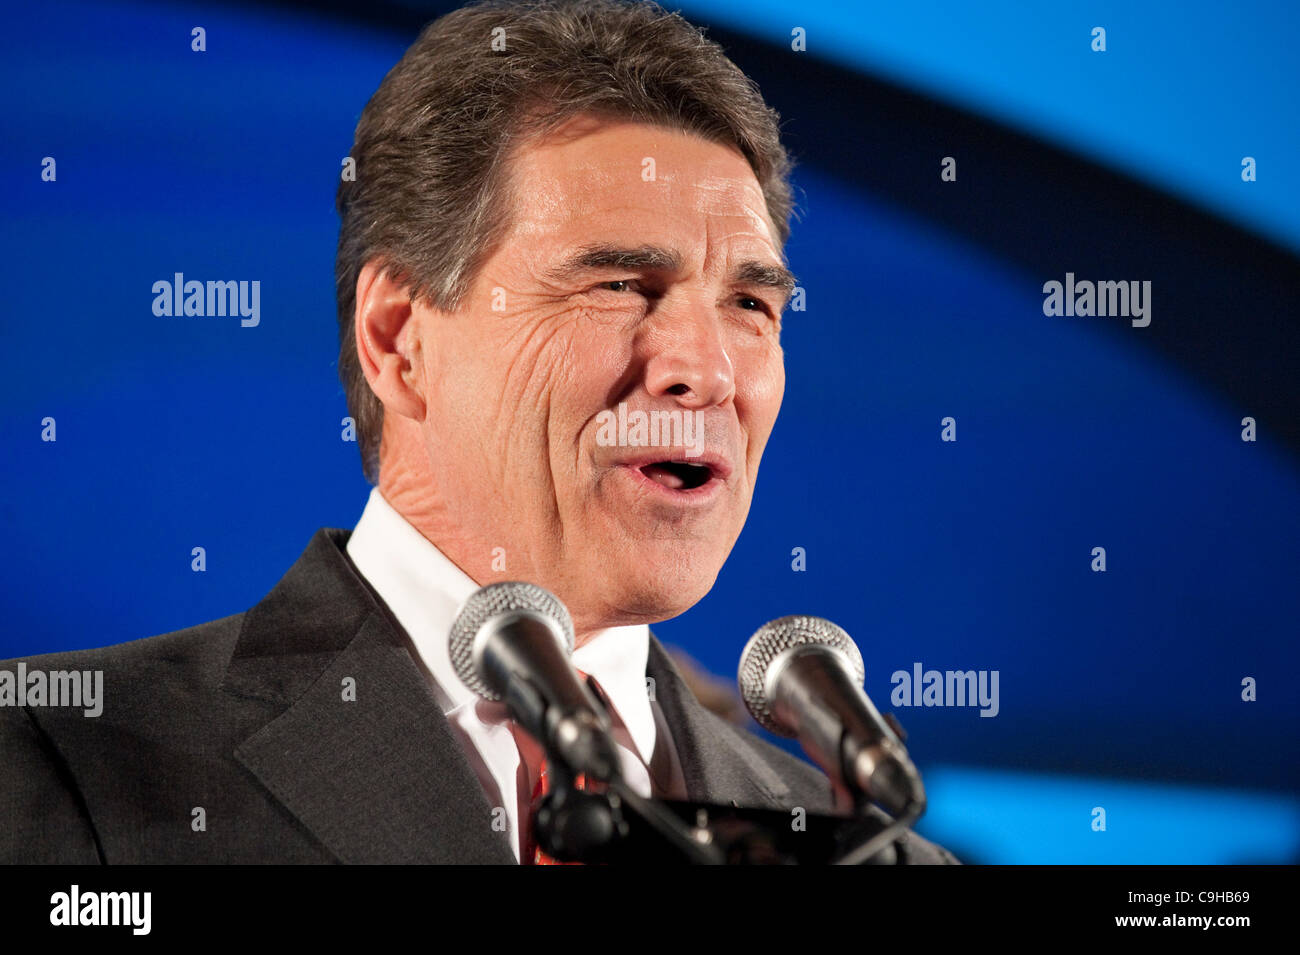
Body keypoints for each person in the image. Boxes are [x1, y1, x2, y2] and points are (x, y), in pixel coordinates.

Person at [0, 0, 958, 865]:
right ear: (399, 340)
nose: (704, 368)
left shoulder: (863, 851)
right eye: (620, 284)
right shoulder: (56, 760)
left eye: (751, 302)